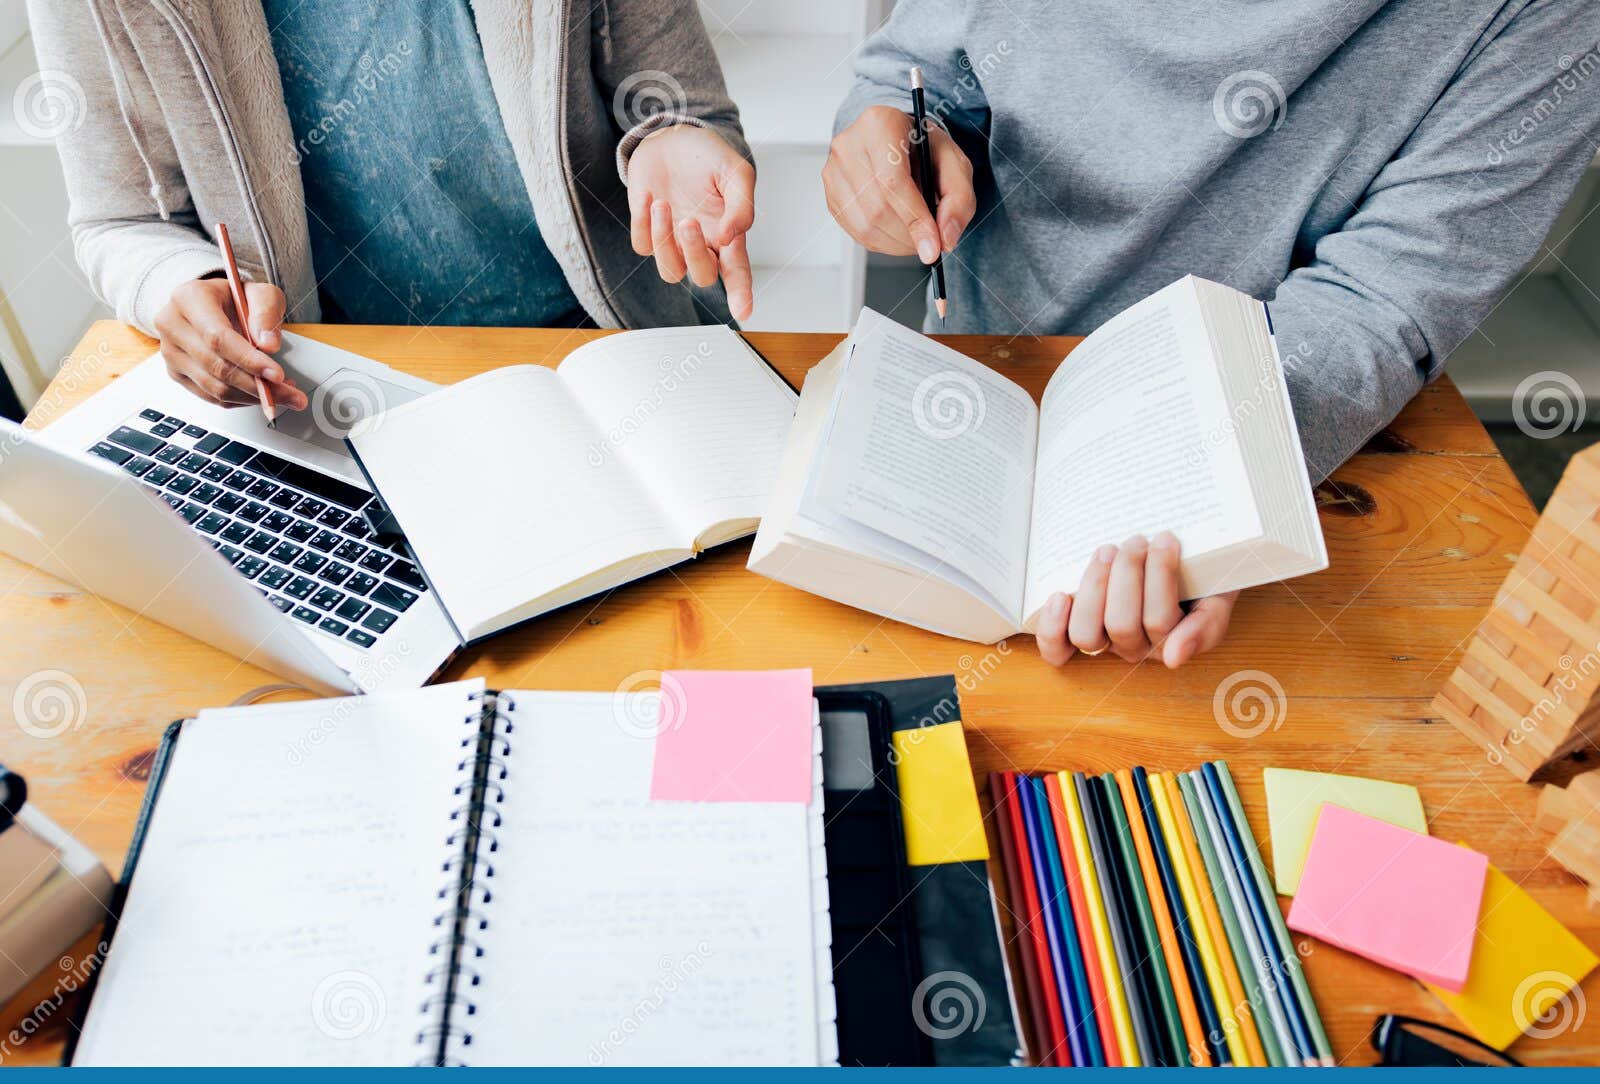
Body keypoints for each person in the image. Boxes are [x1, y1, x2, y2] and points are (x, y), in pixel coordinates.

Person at [824, 0, 1600, 668]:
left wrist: (1216, 485)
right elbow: (916, 70)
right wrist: (887, 139)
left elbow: (1384, 296)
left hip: (1247, 440)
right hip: (986, 373)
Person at [29, 0, 755, 412]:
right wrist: (180, 287)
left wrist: (676, 133)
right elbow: (118, 220)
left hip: (604, 353)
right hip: (326, 392)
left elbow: (684, 109)